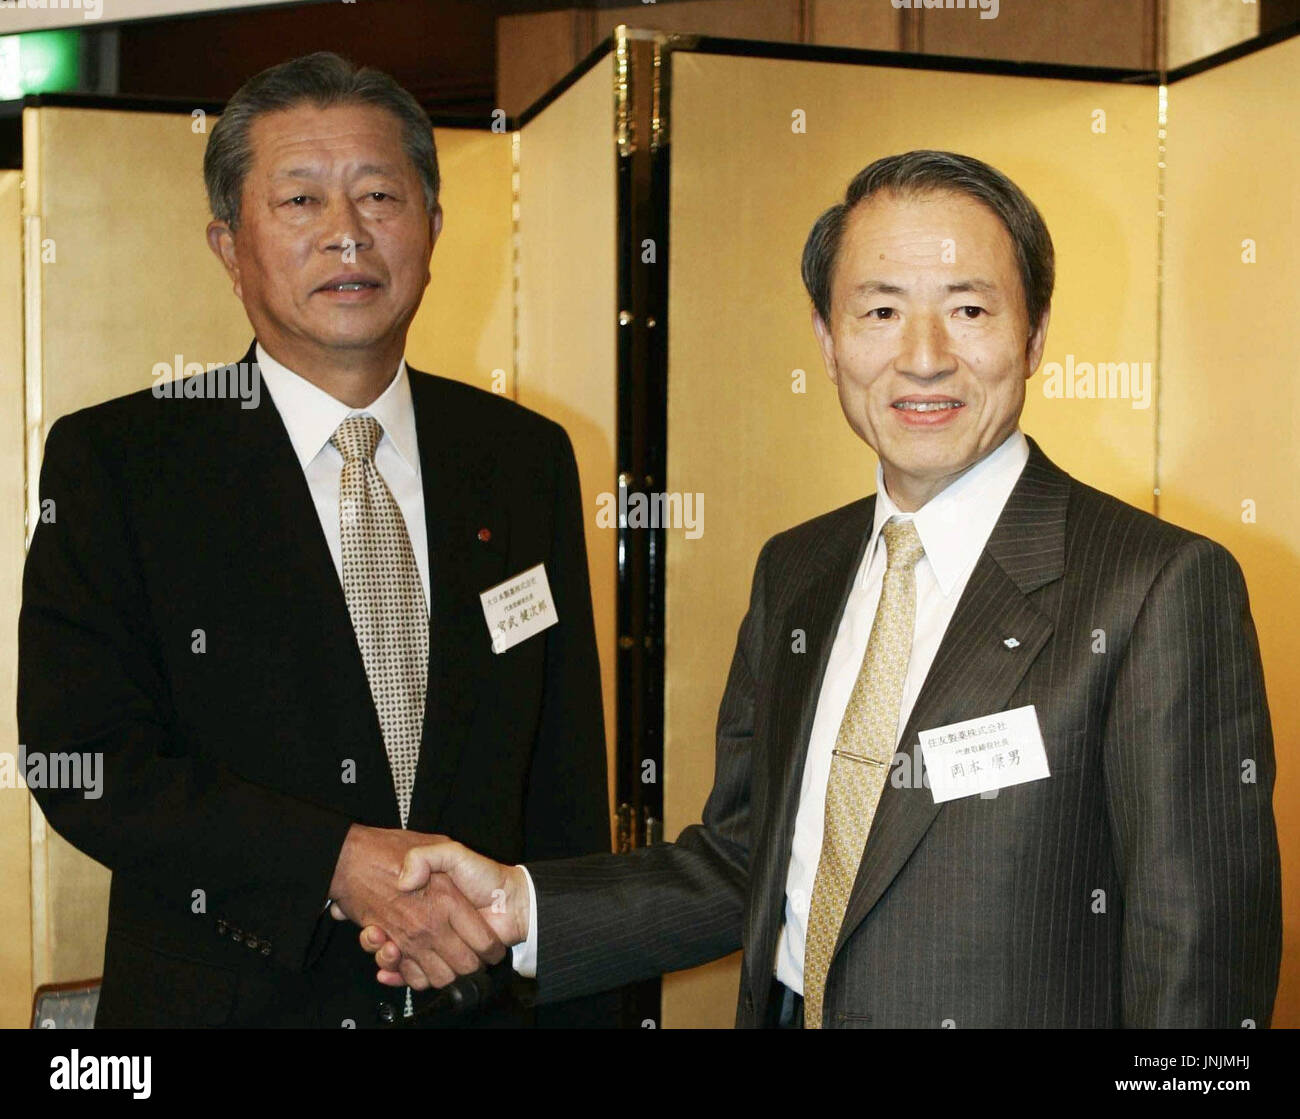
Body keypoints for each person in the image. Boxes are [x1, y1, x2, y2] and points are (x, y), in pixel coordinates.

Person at [360, 150, 1283, 1029]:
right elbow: (748, 859)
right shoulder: (798, 569)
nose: (923, 357)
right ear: (827, 340)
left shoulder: (1156, 586)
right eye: (879, 312)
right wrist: (521, 904)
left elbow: (1198, 957)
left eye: (969, 310)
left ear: (1036, 334)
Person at [18, 51, 612, 1028]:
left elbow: (565, 784)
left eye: (380, 194)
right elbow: (84, 759)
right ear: (228, 242)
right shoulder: (120, 462)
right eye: (299, 201)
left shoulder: (522, 458)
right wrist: (335, 862)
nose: (346, 234)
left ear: (430, 227)